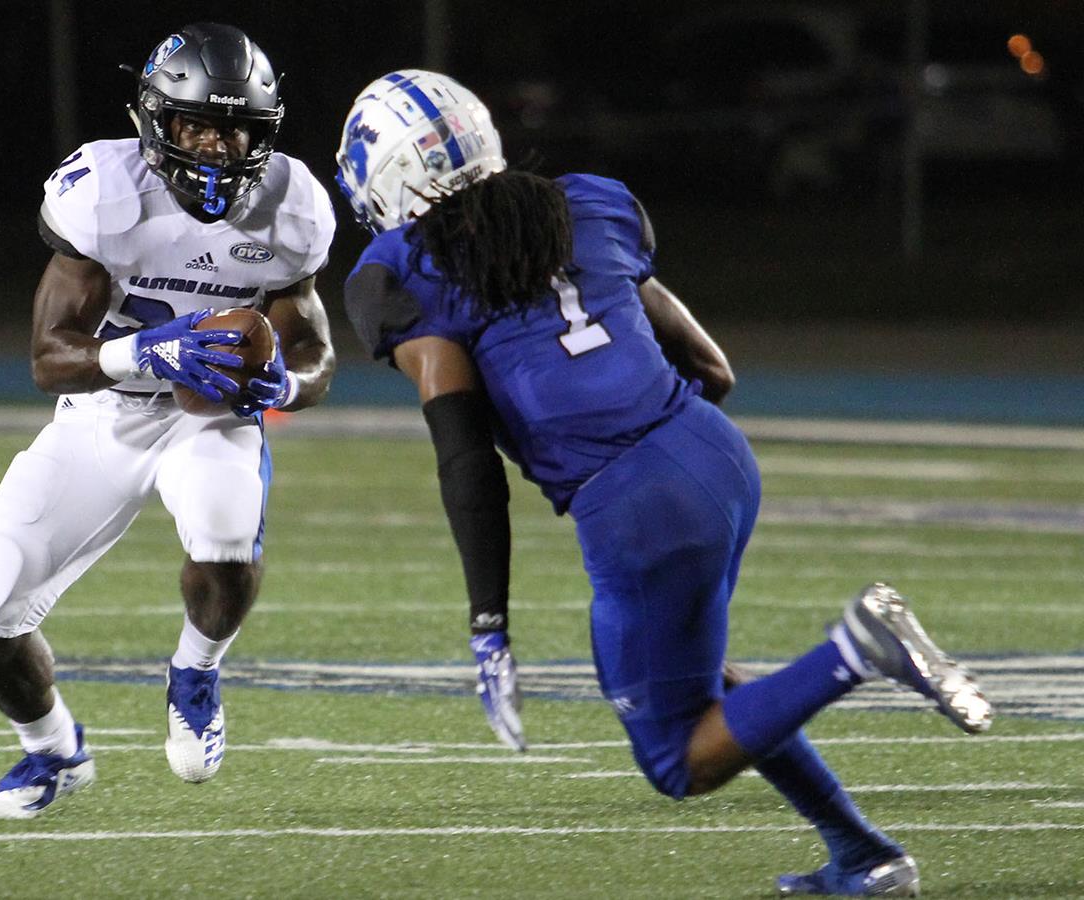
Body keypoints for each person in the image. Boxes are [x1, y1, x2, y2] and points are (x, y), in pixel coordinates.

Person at [336, 70, 991, 896]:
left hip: (636, 502)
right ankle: (863, 853)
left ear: (390, 175)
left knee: (678, 761)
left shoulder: (404, 271)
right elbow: (712, 367)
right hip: (713, 452)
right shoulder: (588, 204)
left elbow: (466, 461)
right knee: (700, 676)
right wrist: (663, 444)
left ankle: (859, 650)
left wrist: (490, 624)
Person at [0, 23, 336, 819]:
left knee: (224, 531)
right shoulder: (103, 191)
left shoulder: (292, 205)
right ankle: (55, 754)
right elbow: (48, 358)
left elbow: (313, 352)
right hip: (106, 409)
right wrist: (147, 353)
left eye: (235, 129)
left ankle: (196, 670)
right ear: (154, 120)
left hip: (212, 413)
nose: (214, 145)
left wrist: (283, 387)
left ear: (261, 134)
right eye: (195, 123)